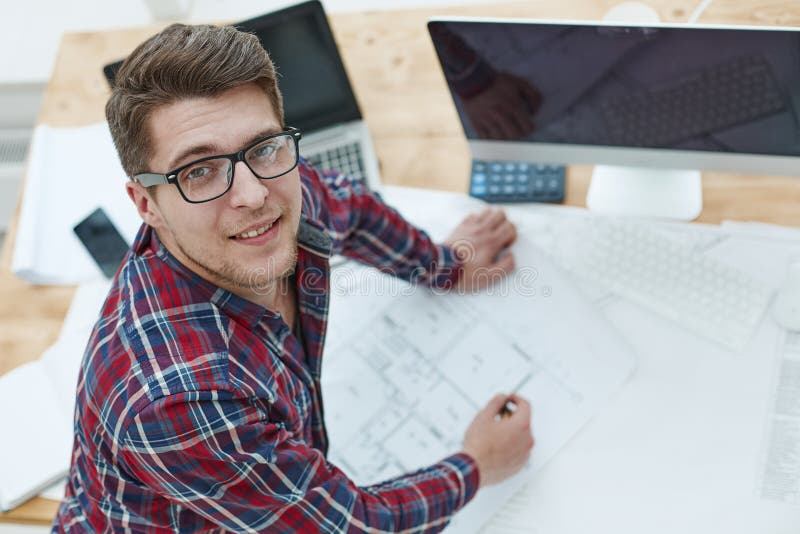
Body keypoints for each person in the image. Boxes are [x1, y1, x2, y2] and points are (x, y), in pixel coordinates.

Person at [53, 23, 533, 533]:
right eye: (199, 171)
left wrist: (443, 267)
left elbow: (351, 207)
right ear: (146, 203)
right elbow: (351, 527)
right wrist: (478, 465)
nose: (254, 195)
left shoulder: (278, 183)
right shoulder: (176, 402)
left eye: (262, 147)